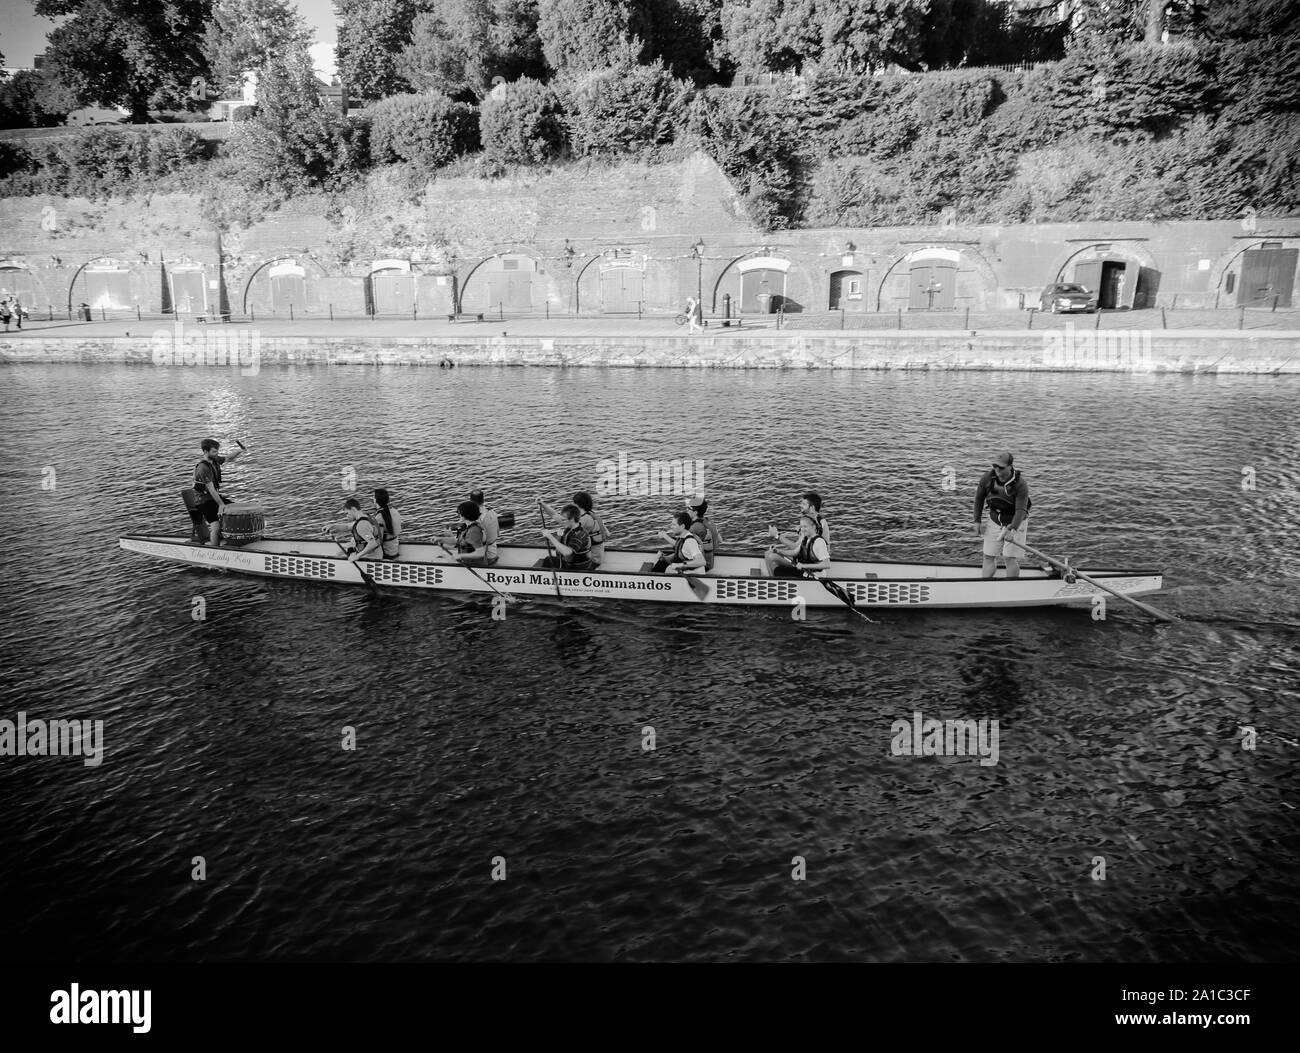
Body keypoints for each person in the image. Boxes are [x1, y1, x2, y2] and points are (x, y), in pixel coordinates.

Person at [974, 450, 1032, 579]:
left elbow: (1021, 510)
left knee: (1009, 558)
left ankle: (1011, 587)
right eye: (995, 466)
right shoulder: (987, 478)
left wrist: (1013, 529)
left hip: (1016, 522)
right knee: (988, 556)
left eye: (1001, 467)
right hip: (995, 521)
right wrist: (977, 521)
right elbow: (979, 499)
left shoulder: (1020, 485)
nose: (997, 470)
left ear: (1010, 467)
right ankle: (984, 585)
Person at [192, 437, 246, 548]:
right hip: (203, 501)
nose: (217, 453)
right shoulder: (203, 468)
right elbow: (211, 489)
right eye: (214, 451)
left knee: (236, 509)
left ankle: (232, 540)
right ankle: (215, 549)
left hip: (212, 498)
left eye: (217, 451)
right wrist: (221, 504)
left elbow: (228, 458)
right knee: (215, 527)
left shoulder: (214, 459)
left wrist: (239, 451)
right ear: (206, 452)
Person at [539, 491, 607, 568]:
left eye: (574, 503)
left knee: (548, 560)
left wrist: (551, 536)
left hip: (592, 560)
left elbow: (560, 519)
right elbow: (607, 534)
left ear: (577, 504)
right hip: (598, 556)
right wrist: (543, 505)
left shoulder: (583, 520)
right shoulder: (593, 514)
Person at [764, 514, 831, 577]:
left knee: (777, 571)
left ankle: (773, 582)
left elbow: (827, 564)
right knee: (777, 570)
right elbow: (794, 552)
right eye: (801, 527)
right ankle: (773, 582)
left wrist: (804, 566)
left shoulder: (819, 542)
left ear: (813, 527)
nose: (802, 529)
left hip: (813, 575)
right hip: (804, 571)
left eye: (805, 527)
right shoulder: (806, 538)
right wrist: (778, 551)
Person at [539, 503, 593, 570]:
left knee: (547, 561)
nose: (562, 522)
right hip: (568, 563)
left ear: (572, 519)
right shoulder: (570, 525)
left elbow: (567, 553)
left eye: (564, 520)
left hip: (576, 569)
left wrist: (550, 536)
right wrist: (543, 504)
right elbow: (553, 514)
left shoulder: (579, 535)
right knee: (548, 560)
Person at [332, 498, 381, 563]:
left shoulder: (361, 524)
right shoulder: (366, 516)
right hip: (377, 553)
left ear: (353, 509)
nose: (347, 516)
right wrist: (333, 526)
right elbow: (347, 527)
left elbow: (372, 543)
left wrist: (357, 556)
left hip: (372, 557)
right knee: (342, 549)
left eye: (347, 513)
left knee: (339, 552)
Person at [685, 494, 720, 571]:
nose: (687, 510)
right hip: (709, 562)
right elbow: (720, 540)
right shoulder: (709, 522)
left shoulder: (695, 527)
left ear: (695, 512)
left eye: (689, 508)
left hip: (699, 565)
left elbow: (681, 546)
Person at [448, 501, 489, 566]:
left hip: (475, 567)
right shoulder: (468, 527)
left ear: (465, 514)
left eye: (459, 513)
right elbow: (463, 543)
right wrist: (441, 540)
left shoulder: (473, 531)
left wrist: (461, 555)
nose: (458, 515)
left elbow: (480, 553)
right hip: (467, 564)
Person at [469, 489, 499, 566]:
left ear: (471, 502)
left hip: (486, 557)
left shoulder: (477, 518)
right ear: (483, 500)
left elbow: (478, 540)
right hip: (494, 551)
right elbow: (498, 532)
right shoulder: (492, 512)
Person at [372, 488, 402, 559]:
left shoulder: (379, 517)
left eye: (373, 497)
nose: (372, 499)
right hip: (395, 547)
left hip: (387, 553)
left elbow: (379, 540)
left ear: (376, 500)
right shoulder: (394, 511)